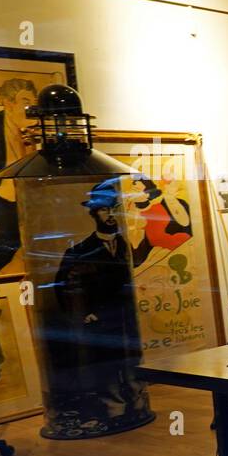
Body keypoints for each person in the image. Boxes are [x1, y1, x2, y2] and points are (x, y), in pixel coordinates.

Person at [47, 179, 151, 434]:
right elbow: (62, 284)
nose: (111, 213)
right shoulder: (82, 249)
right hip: (101, 320)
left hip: (125, 316)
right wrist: (83, 314)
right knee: (106, 366)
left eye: (115, 207)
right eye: (105, 209)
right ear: (93, 212)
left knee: (130, 361)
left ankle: (136, 406)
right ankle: (114, 410)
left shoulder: (123, 244)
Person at [0, 77, 38, 276]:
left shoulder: (37, 130)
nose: (31, 108)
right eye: (25, 102)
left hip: (24, 206)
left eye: (33, 103)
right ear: (8, 103)